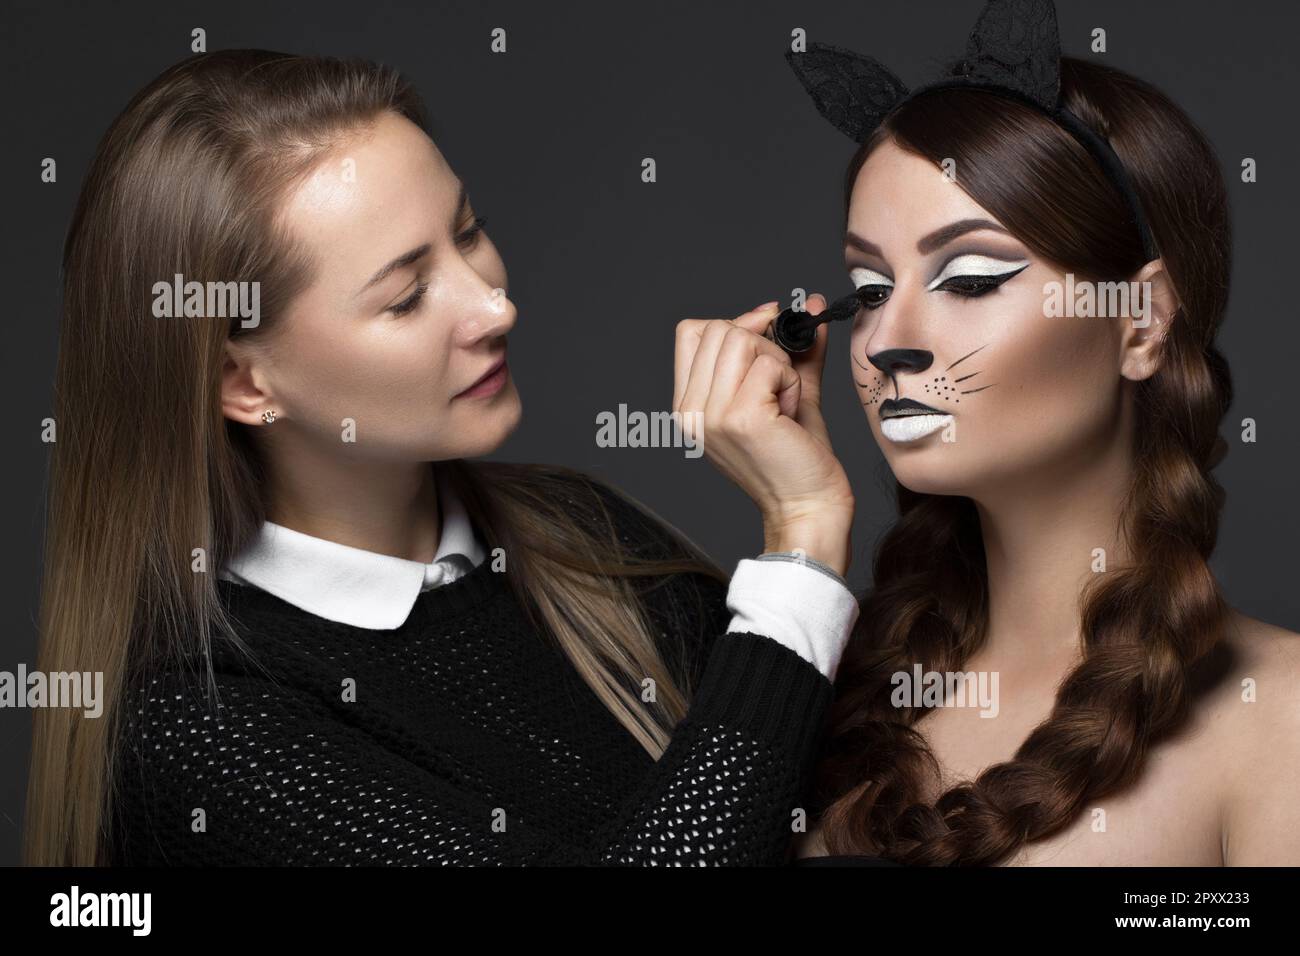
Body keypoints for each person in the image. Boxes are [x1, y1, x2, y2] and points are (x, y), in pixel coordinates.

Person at [23, 49, 859, 866]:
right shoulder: (202, 730)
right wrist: (803, 539)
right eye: (407, 296)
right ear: (244, 384)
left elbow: (827, 791)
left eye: (470, 232)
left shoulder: (585, 533)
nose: (495, 307)